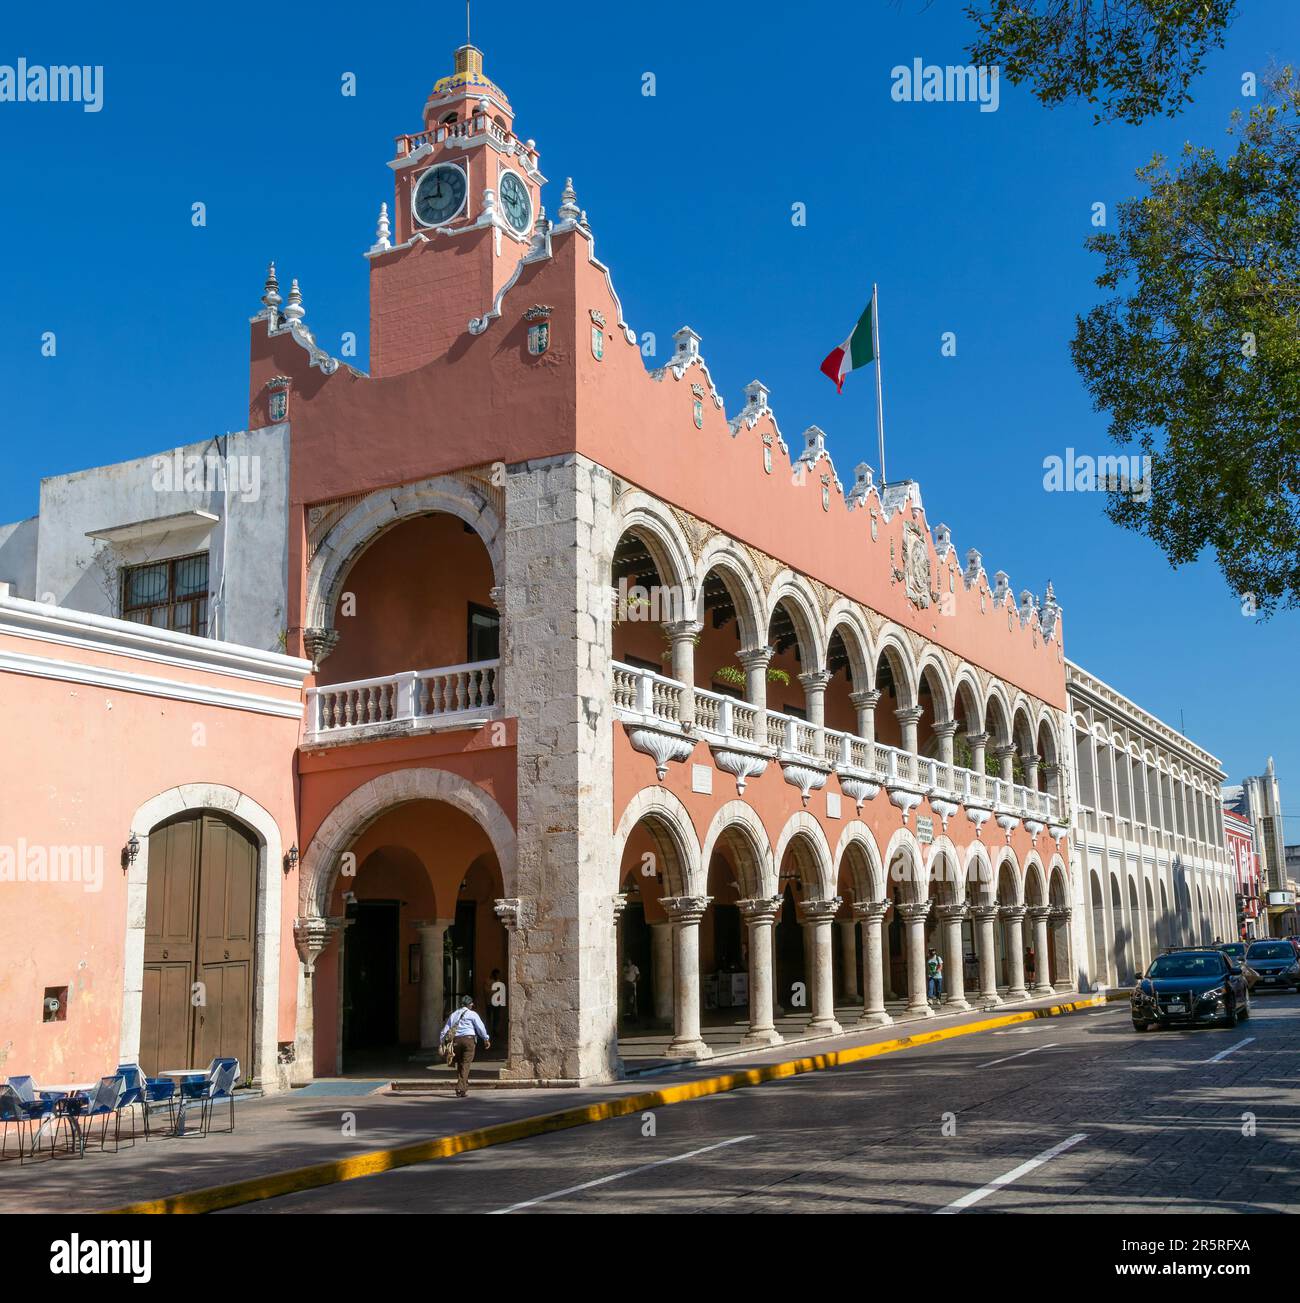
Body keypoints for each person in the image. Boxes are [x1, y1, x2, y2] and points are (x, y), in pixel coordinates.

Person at [441, 995, 490, 1097]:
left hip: (456, 1041)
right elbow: (480, 1028)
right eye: (471, 1003)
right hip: (469, 1040)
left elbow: (446, 1029)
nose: (472, 1004)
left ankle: (463, 1087)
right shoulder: (473, 1014)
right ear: (469, 1004)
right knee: (466, 1064)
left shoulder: (454, 1014)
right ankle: (460, 1087)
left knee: (460, 1064)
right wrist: (486, 1038)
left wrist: (442, 1042)